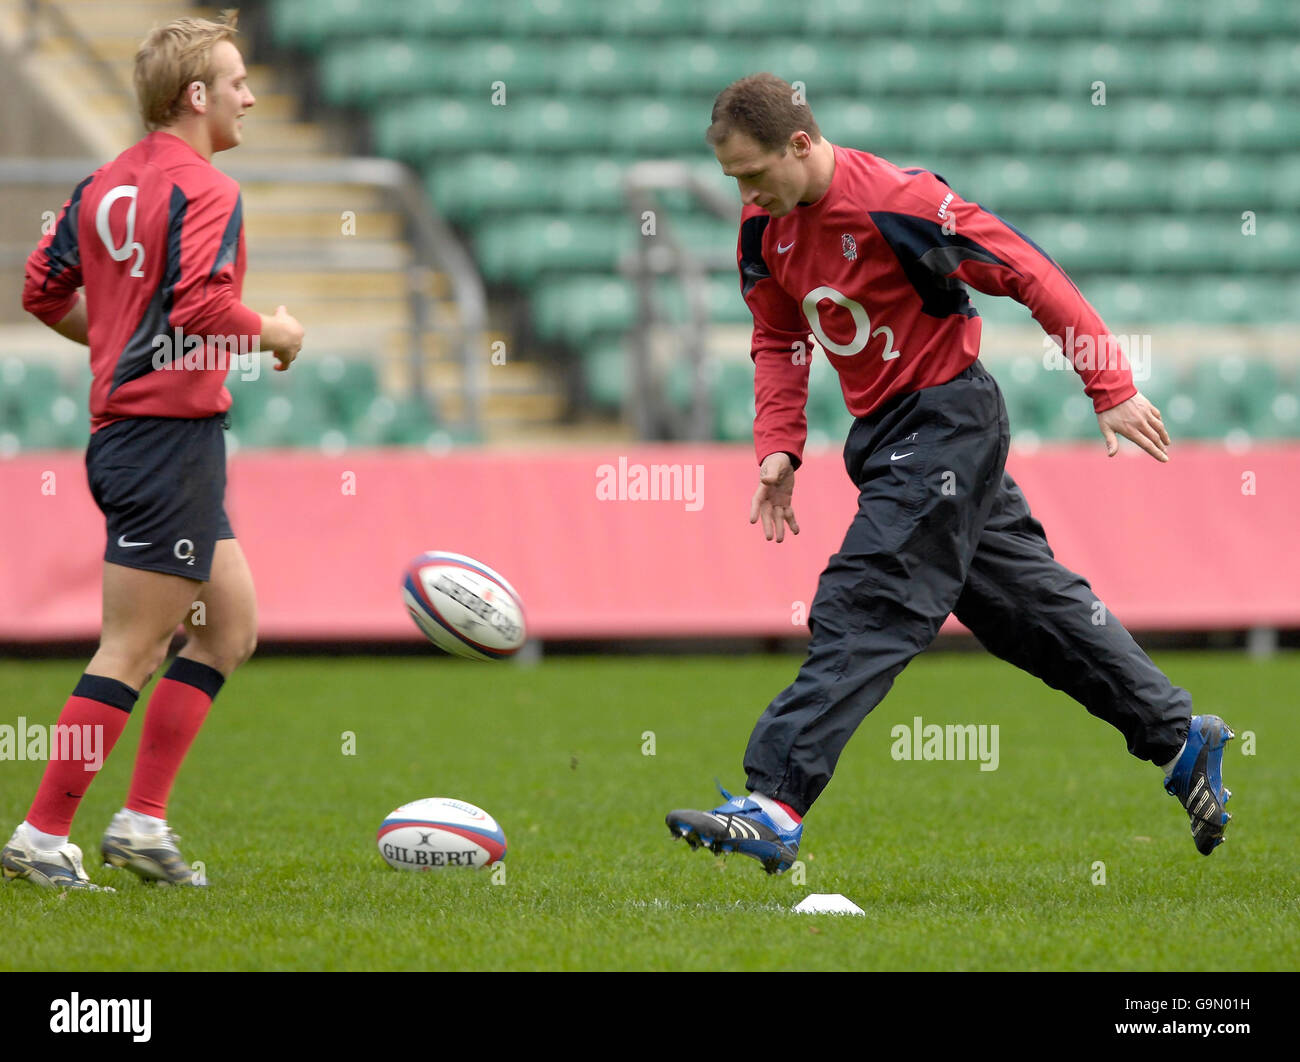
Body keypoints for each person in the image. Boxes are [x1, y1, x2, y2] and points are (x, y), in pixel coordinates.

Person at [666, 74, 1232, 873]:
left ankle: (775, 800)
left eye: (754, 174)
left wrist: (1110, 384)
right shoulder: (765, 230)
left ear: (800, 144)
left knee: (871, 591)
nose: (746, 194)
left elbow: (1026, 269)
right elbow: (777, 338)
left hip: (946, 422)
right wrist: (779, 445)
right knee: (1027, 609)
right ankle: (1180, 738)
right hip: (889, 437)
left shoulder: (899, 202)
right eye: (734, 182)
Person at [4, 11, 303, 890]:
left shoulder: (104, 182)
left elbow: (40, 290)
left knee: (227, 628)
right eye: (237, 80)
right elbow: (206, 311)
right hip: (162, 442)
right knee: (134, 645)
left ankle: (140, 824)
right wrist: (276, 334)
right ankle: (40, 835)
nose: (251, 94)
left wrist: (119, 346)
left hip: (152, 439)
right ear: (196, 95)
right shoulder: (207, 189)